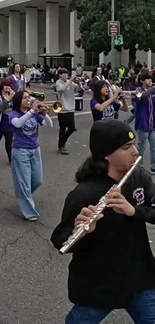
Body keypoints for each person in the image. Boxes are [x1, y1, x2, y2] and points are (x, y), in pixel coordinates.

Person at [51, 119, 155, 324]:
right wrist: (81, 231)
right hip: (100, 281)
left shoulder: (139, 177)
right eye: (127, 147)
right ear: (107, 154)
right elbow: (60, 240)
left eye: (134, 145)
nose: (135, 151)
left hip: (139, 276)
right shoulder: (84, 193)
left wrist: (134, 211)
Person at [9, 90, 52, 221]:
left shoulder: (33, 113)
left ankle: (24, 196)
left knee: (38, 180)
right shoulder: (13, 114)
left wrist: (45, 114)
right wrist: (32, 111)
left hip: (35, 149)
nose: (28, 100)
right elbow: (17, 124)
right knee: (24, 183)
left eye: (29, 97)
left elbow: (49, 125)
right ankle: (29, 212)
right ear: (18, 101)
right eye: (25, 98)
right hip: (20, 150)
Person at [55, 68, 81, 155]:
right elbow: (61, 89)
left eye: (67, 74)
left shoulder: (69, 82)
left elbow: (78, 89)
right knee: (62, 129)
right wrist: (70, 81)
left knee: (72, 128)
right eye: (64, 74)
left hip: (70, 109)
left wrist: (79, 82)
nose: (66, 75)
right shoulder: (58, 82)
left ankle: (63, 142)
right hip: (62, 110)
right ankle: (61, 146)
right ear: (60, 75)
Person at [134, 71, 155, 173]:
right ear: (142, 81)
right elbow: (142, 96)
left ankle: (153, 166)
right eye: (148, 79)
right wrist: (153, 89)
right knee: (141, 147)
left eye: (151, 79)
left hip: (153, 123)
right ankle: (139, 166)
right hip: (143, 123)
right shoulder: (138, 90)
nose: (150, 80)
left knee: (154, 146)